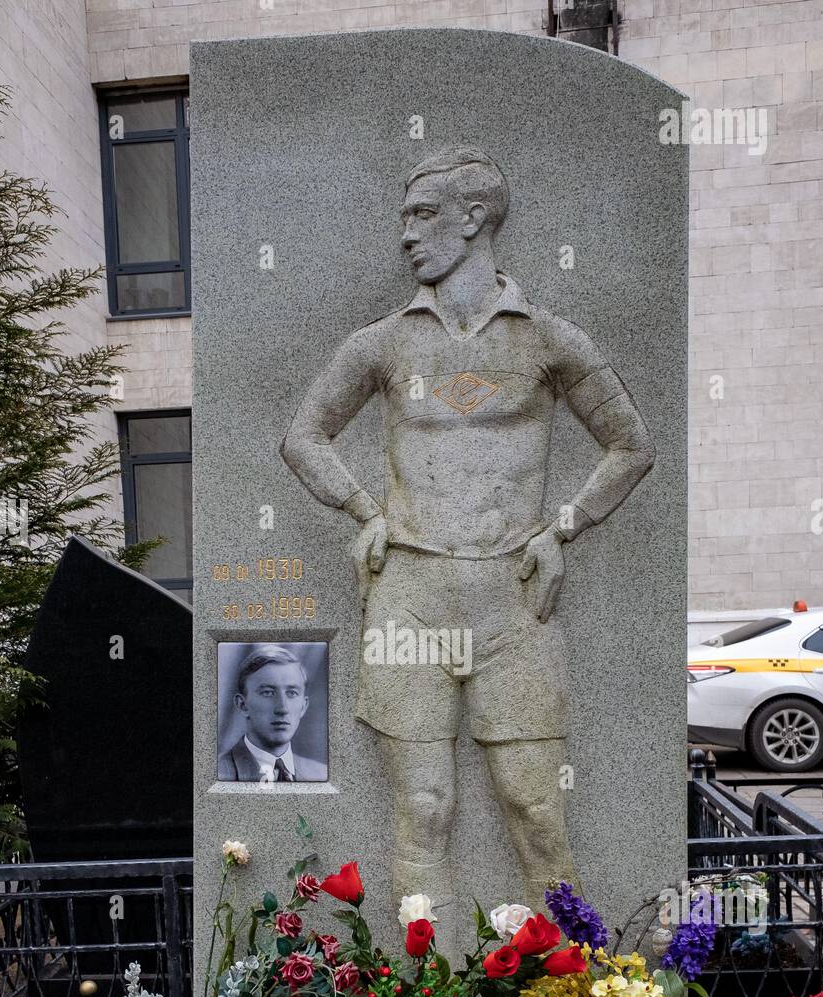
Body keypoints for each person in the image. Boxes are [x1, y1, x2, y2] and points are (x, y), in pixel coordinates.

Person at [281, 146, 655, 934]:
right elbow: (304, 435)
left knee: (534, 808)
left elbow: (630, 444)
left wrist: (564, 527)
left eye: (422, 216)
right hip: (409, 598)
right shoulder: (381, 344)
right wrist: (364, 509)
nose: (406, 238)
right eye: (404, 218)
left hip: (513, 605)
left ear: (474, 218)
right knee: (422, 808)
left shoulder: (549, 341)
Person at [218, 643, 327, 782]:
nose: (282, 708)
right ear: (243, 705)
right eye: (268, 693)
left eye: (292, 693)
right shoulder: (217, 775)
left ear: (303, 706)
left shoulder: (321, 774)